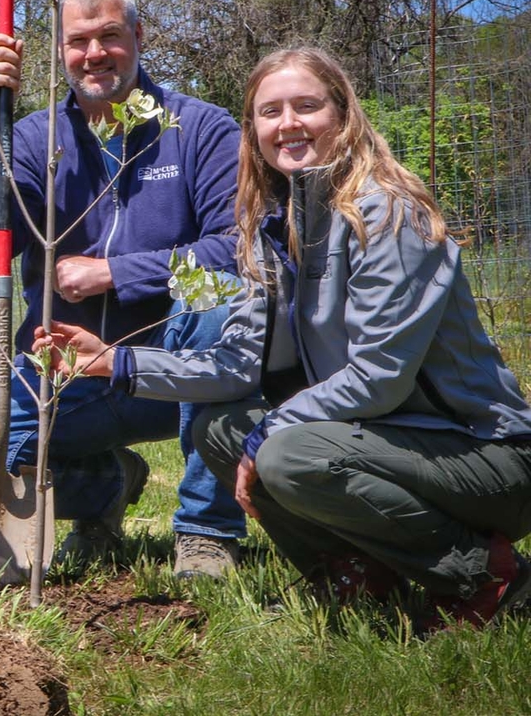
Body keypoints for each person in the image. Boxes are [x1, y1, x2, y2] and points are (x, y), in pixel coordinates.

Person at [42, 47, 531, 629]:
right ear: (253, 130)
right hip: (384, 444)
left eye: (306, 106)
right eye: (270, 111)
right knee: (220, 430)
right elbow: (237, 367)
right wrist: (116, 363)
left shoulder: (389, 215)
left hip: (483, 456)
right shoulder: (273, 228)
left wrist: (269, 434)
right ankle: (358, 574)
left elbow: (378, 378)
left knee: (285, 452)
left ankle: (486, 576)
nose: (288, 124)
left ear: (343, 115)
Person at [0, 0, 248, 579]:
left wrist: (116, 273)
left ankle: (206, 532)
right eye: (78, 40)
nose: (94, 53)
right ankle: (105, 482)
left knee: (217, 303)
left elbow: (236, 250)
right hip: (61, 370)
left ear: (139, 35)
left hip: (167, 370)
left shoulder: (200, 129)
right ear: (60, 51)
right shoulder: (34, 138)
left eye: (109, 36)